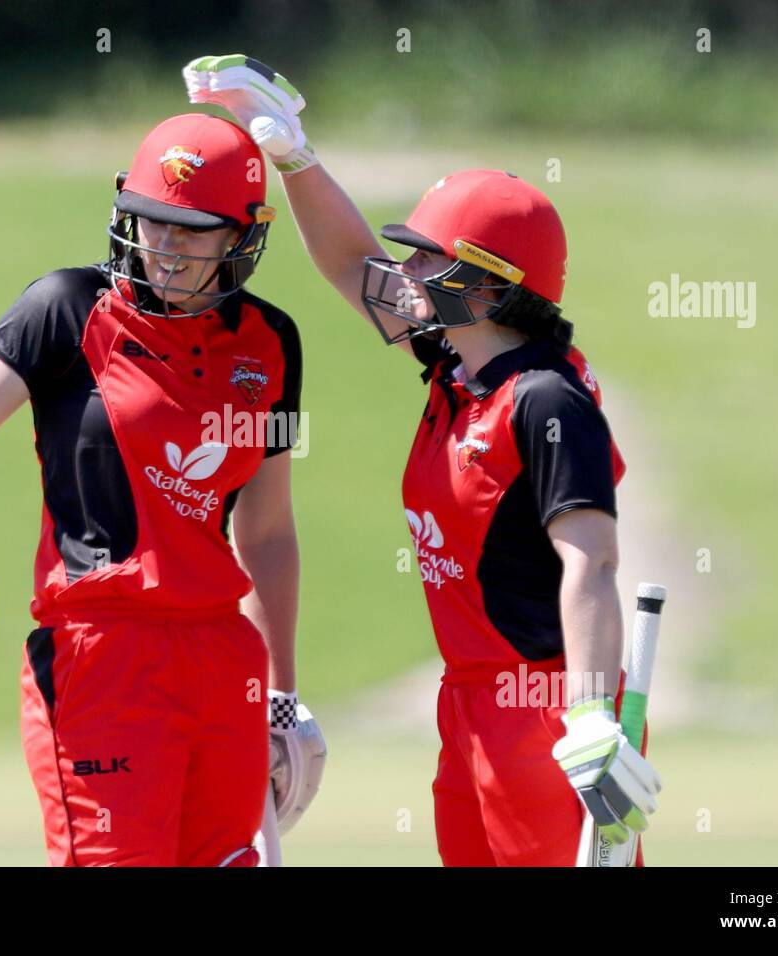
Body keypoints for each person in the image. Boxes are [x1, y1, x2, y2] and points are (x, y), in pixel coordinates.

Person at [184, 55, 661, 866]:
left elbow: (593, 563)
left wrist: (589, 716)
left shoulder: (546, 400)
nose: (403, 272)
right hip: (468, 704)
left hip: (543, 710)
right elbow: (347, 264)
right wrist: (295, 156)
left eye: (426, 261)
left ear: (488, 288)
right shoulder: (455, 363)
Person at [0, 112, 325, 867]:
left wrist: (280, 694)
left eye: (191, 230)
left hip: (223, 661)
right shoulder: (66, 308)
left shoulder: (275, 343)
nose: (164, 247)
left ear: (242, 235)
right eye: (150, 222)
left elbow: (267, 532)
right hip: (101, 660)